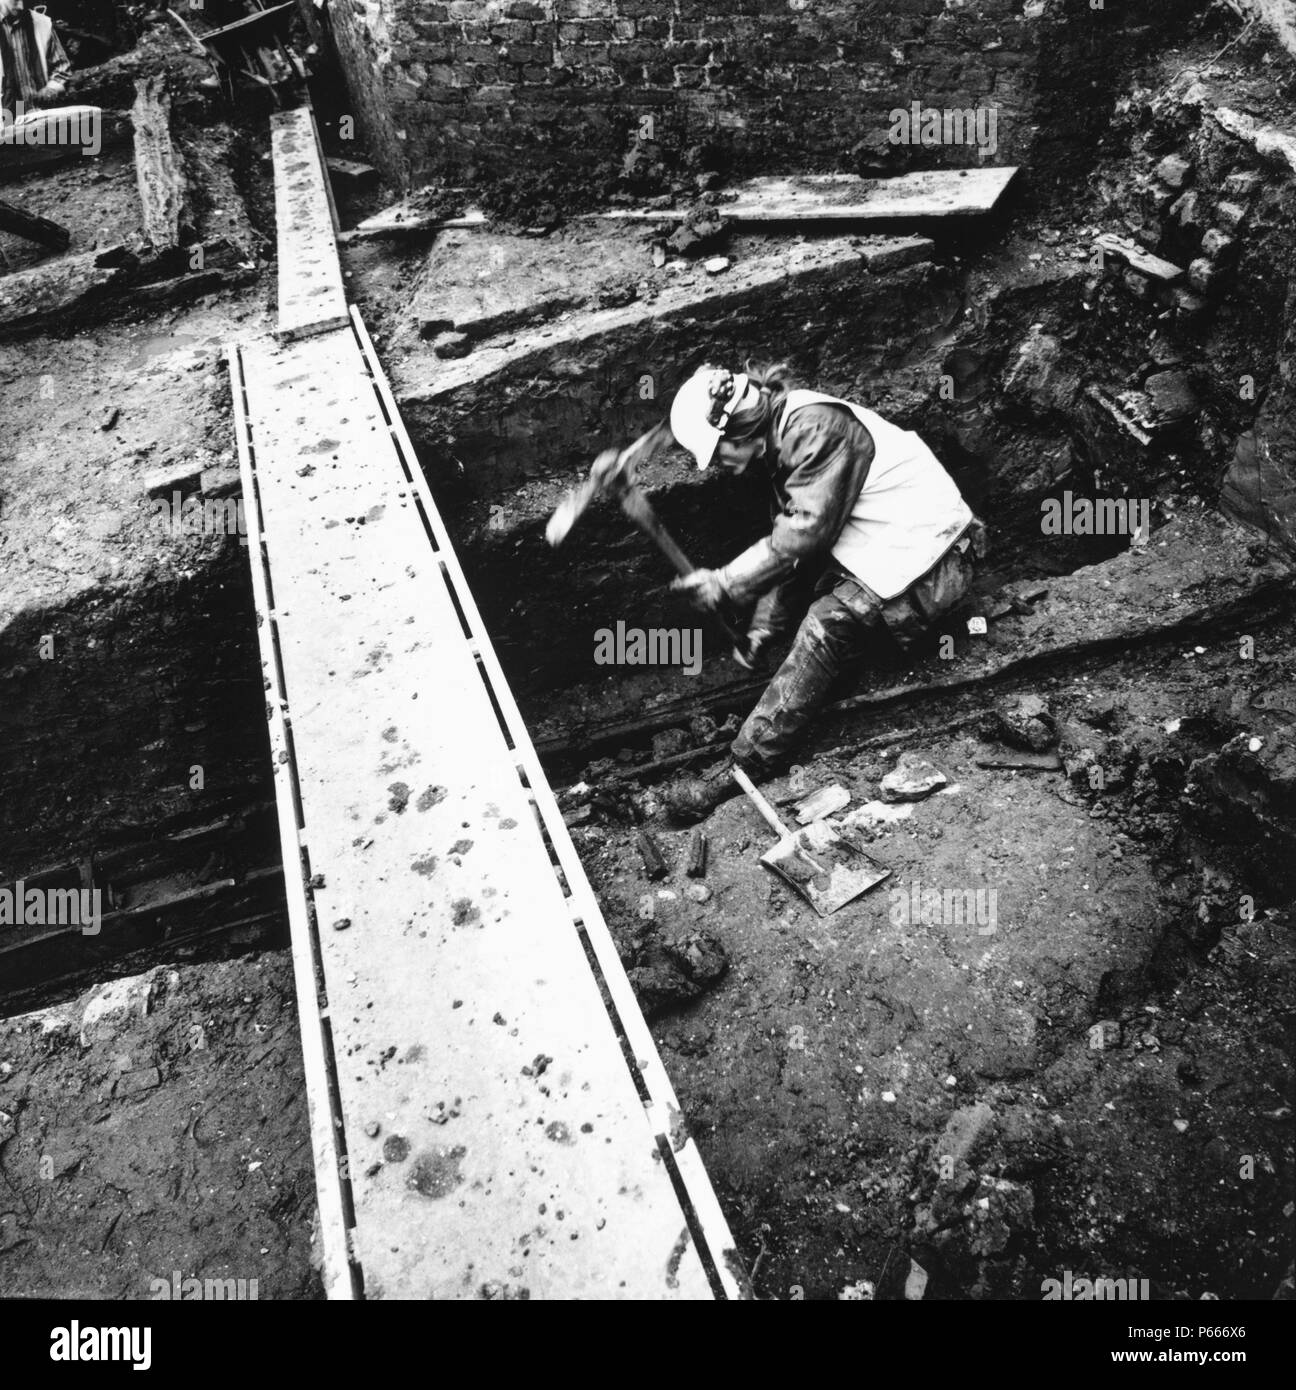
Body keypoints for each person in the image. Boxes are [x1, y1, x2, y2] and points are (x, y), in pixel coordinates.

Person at [662, 363, 987, 822]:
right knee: (823, 601)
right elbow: (793, 550)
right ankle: (832, 668)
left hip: (942, 556)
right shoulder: (787, 437)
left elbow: (804, 535)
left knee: (829, 620)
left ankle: (747, 763)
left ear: (739, 428)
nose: (726, 468)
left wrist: (724, 583)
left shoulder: (817, 432)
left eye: (721, 456)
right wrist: (763, 626)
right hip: (903, 544)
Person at [0, 0, 71, 122]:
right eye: (16, 0)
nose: (21, 5)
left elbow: (62, 67)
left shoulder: (42, 23)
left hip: (41, 116)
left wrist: (52, 89)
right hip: (5, 123)